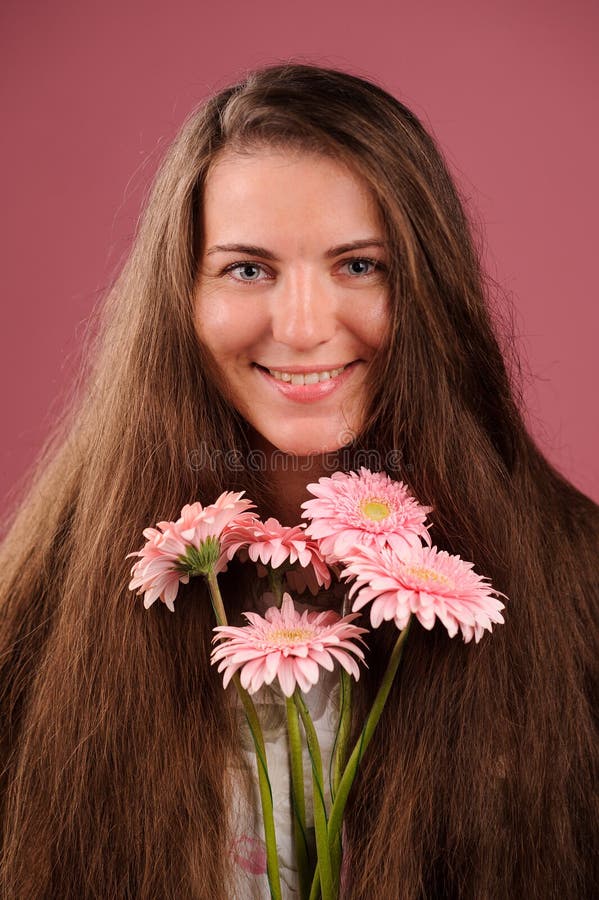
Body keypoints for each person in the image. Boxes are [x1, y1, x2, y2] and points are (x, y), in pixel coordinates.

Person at [0, 61, 596, 900]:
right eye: (249, 269)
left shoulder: (581, 589)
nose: (306, 327)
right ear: (182, 298)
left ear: (428, 286)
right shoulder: (34, 611)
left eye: (359, 265)